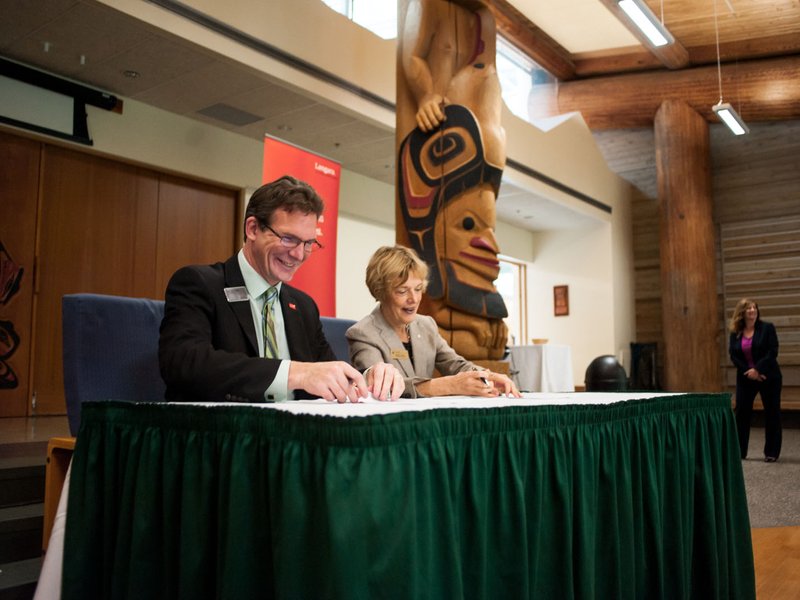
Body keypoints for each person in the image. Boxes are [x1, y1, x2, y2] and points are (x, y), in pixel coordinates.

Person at [159, 175, 404, 403]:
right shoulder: (199, 283)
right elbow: (183, 364)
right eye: (288, 239)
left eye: (308, 243)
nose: (298, 254)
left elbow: (326, 370)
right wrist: (293, 373)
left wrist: (370, 377)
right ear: (253, 229)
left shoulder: (303, 306)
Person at [346, 245, 519, 398]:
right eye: (402, 291)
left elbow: (454, 364)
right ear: (381, 292)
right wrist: (450, 385)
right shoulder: (363, 333)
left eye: (418, 289)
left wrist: (487, 377)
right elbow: (380, 386)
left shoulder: (426, 324)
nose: (413, 299)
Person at [728, 298, 782, 462]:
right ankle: (740, 451)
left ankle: (771, 452)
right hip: (746, 377)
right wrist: (750, 372)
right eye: (749, 308)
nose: (752, 310)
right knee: (742, 413)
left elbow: (772, 351)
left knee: (772, 413)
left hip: (768, 376)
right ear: (742, 312)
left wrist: (758, 369)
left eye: (754, 308)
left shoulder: (767, 328)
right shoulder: (735, 332)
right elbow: (734, 355)